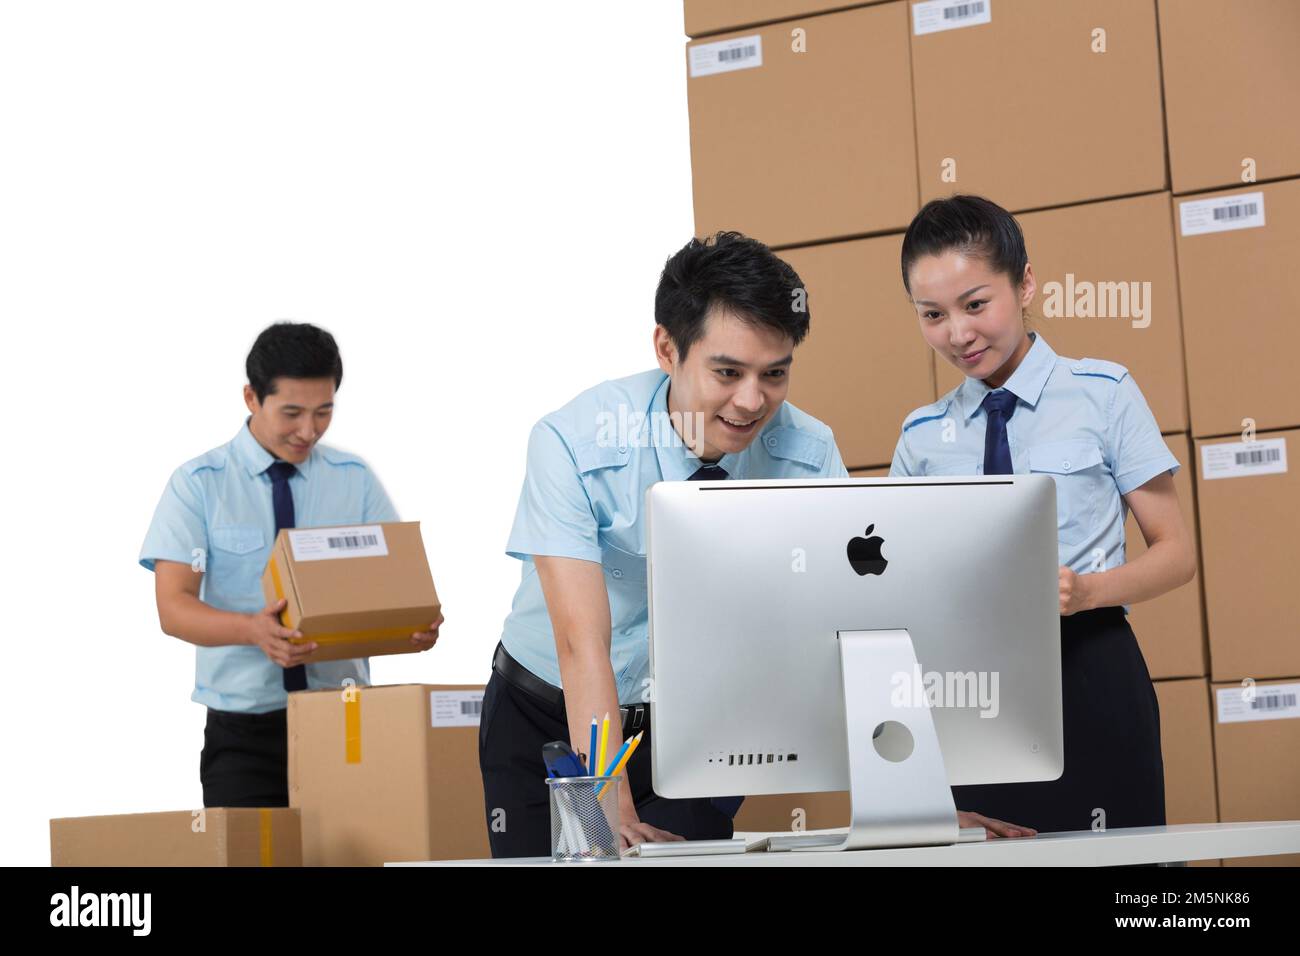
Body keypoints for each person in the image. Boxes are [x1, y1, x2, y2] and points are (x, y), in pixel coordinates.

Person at [479, 231, 1032, 857]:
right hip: (548, 716)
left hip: (696, 728)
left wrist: (922, 801)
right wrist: (606, 801)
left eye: (774, 373)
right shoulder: (574, 442)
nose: (751, 400)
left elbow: (854, 638)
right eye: (727, 372)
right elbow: (583, 645)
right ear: (666, 348)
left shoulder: (808, 453)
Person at [891, 195, 1197, 834]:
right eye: (932, 315)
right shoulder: (920, 436)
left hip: (1091, 664)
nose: (958, 333)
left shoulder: (1104, 393)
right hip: (969, 687)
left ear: (1025, 282)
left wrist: (1087, 591)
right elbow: (898, 585)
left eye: (976, 304)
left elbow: (1176, 552)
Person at [139, 321, 442, 808]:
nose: (308, 431)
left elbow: (393, 582)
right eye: (292, 413)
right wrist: (251, 630)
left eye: (324, 412)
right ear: (251, 398)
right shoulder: (200, 484)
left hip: (345, 719)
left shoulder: (354, 478)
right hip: (244, 734)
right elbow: (173, 608)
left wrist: (413, 622)